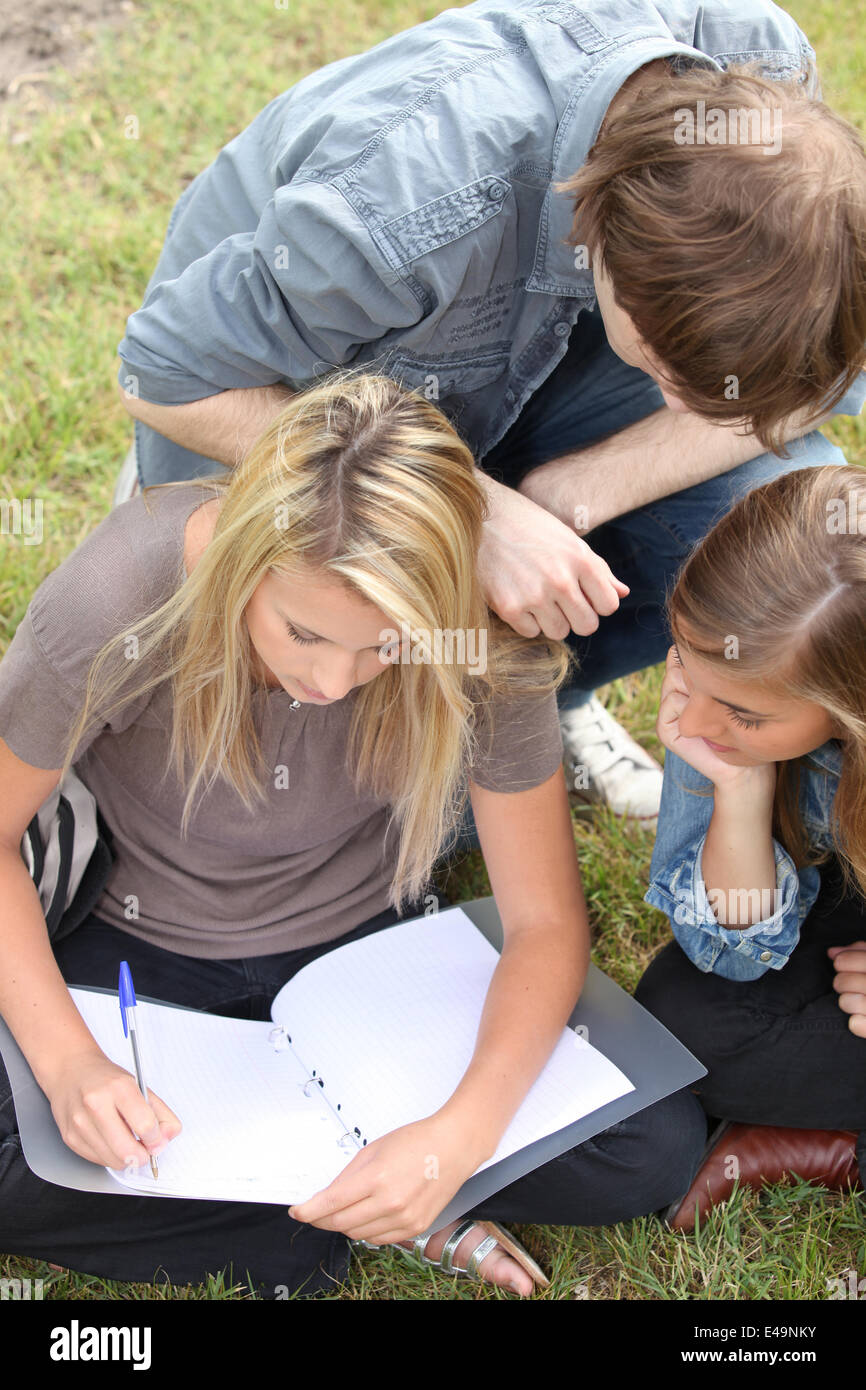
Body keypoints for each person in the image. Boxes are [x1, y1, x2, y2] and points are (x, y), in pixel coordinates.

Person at [0, 373, 705, 1298]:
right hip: (140, 947)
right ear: (245, 557)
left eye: (385, 646)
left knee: (646, 1148)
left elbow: (542, 921)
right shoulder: (120, 596)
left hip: (366, 956)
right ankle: (367, 1213)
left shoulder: (478, 638)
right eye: (303, 633)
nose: (335, 681)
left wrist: (459, 1137)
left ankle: (330, 1194)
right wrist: (72, 1065)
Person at [113, 0, 866, 824]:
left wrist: (569, 495)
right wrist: (464, 511)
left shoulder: (764, 80)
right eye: (674, 372)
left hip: (516, 378)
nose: (704, 411)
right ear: (608, 251)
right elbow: (162, 376)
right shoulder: (408, 200)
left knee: (783, 515)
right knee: (288, 811)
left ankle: (540, 703)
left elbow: (809, 386)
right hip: (279, 403)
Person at [634, 464, 866, 1231]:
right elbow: (728, 955)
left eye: (742, 714)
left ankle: (835, 1147)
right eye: (685, 668)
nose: (692, 724)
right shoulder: (720, 690)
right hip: (837, 914)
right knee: (683, 1026)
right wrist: (740, 791)